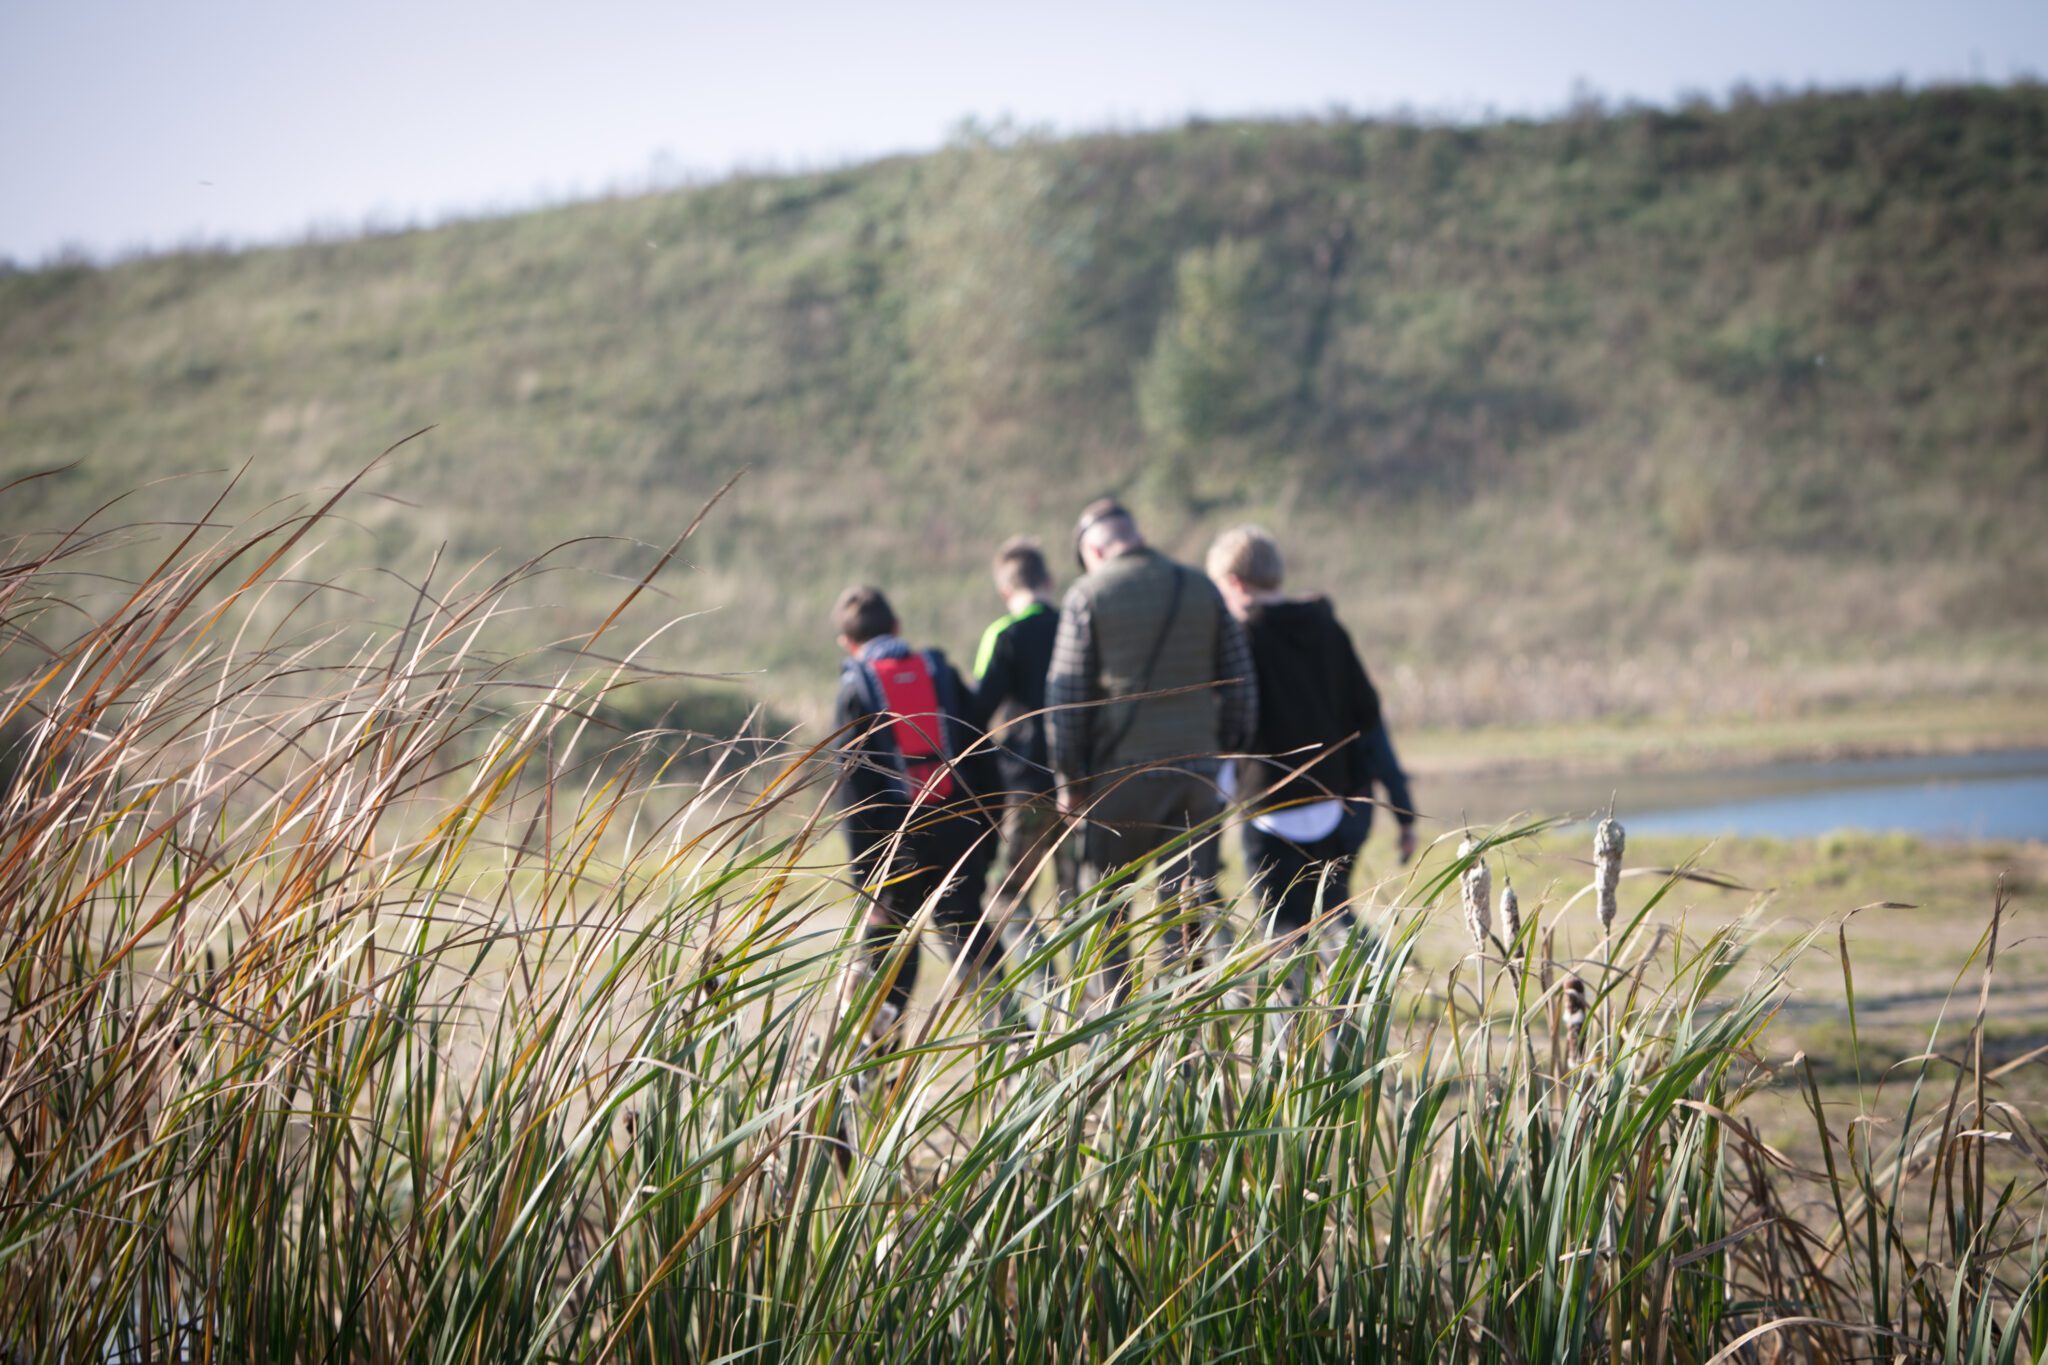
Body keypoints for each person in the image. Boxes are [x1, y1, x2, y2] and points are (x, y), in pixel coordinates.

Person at [1045, 498, 1257, 992]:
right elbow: (1241, 682)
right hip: (1196, 777)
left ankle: (1115, 1029)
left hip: (1119, 781)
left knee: (1109, 906)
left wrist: (1069, 782)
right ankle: (1180, 1033)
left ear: (1093, 550)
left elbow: (1066, 698)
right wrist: (1223, 751)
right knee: (1186, 908)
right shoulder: (1200, 587)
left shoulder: (1087, 594)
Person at [1204, 525, 1417, 945]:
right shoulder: (1328, 629)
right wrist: (1403, 811)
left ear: (1231, 583)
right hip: (1340, 807)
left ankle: (1292, 1012)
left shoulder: (1239, 640)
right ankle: (1367, 999)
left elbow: (1228, 734)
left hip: (1269, 811)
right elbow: (1370, 723)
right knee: (1337, 913)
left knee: (1281, 931)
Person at [828, 585, 1006, 1051]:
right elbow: (984, 756)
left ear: (848, 643)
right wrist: (986, 841)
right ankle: (1018, 1052)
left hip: (896, 847)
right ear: (897, 628)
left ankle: (879, 1081)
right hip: (958, 834)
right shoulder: (940, 672)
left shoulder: (855, 688)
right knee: (975, 952)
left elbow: (855, 796)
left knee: (887, 972)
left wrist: (868, 883)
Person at [971, 536, 1077, 922]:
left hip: (1026, 783)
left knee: (1007, 901)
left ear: (1005, 590)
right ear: (1049, 580)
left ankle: (1042, 980)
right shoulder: (1076, 626)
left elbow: (978, 708)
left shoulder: (1003, 635)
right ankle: (1093, 983)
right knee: (1081, 901)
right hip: (1083, 783)